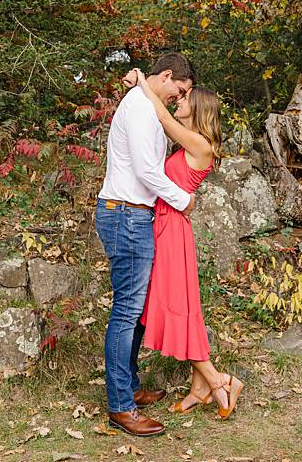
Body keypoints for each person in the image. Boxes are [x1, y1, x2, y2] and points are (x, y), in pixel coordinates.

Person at [130, 75, 245, 420]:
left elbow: (162, 119)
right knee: (182, 307)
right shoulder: (191, 144)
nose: (178, 99)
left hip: (172, 230)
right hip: (166, 225)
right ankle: (200, 386)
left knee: (174, 305)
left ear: (199, 108)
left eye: (185, 96)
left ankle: (219, 380)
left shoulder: (201, 145)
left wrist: (141, 83)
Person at [95, 52, 194, 437]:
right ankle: (121, 407)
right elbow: (147, 171)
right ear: (167, 76)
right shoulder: (138, 108)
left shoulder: (145, 101)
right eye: (179, 90)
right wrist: (183, 200)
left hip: (135, 216)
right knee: (126, 312)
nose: (178, 97)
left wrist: (138, 78)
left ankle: (131, 389)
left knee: (135, 311)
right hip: (125, 215)